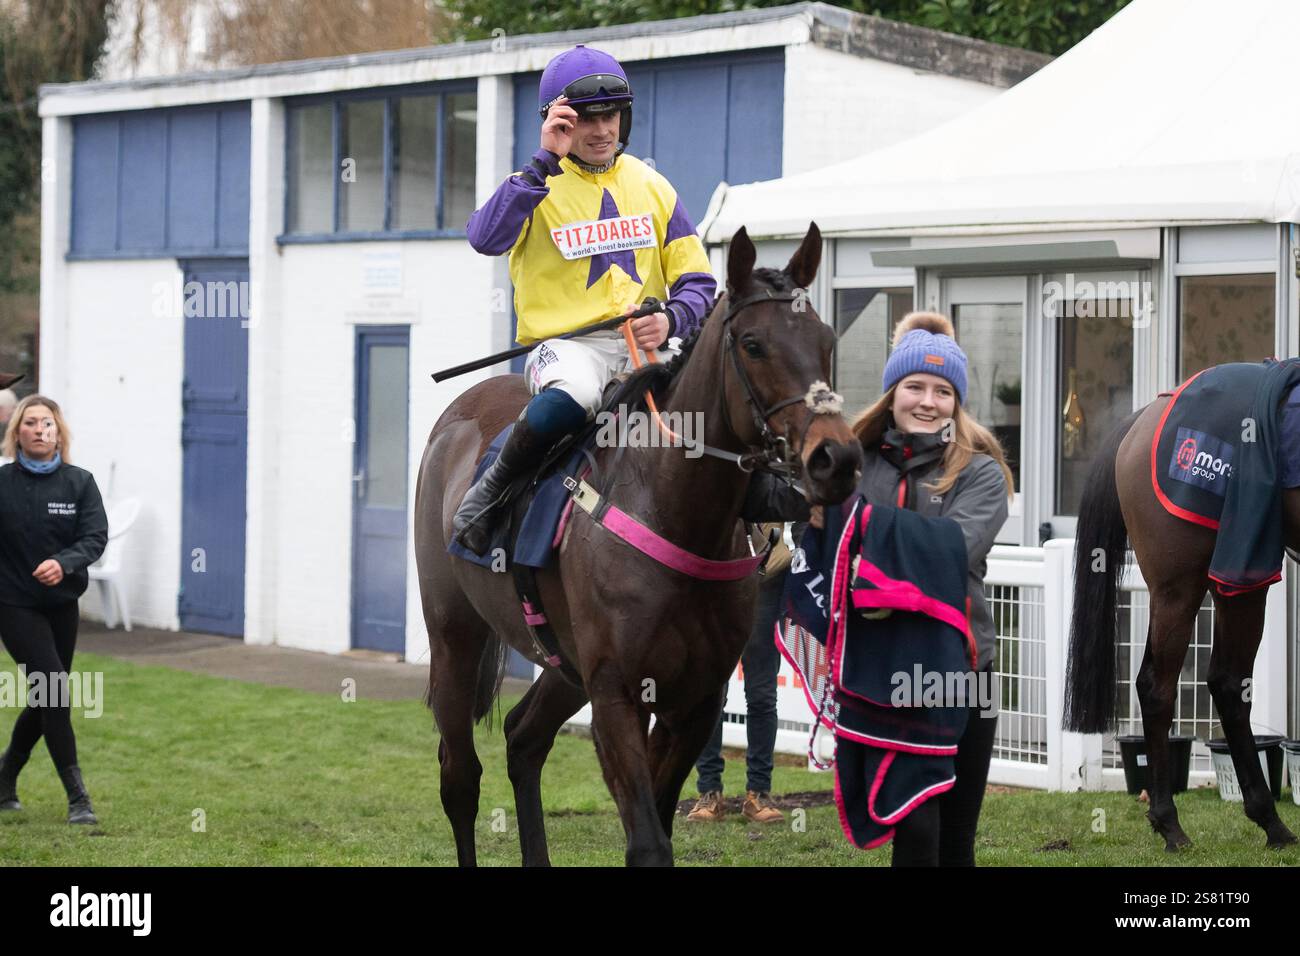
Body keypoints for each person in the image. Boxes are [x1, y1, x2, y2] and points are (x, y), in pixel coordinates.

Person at [744, 312, 1013, 865]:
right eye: (914, 386)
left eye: (943, 392)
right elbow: (783, 505)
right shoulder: (851, 463)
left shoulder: (981, 472)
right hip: (876, 671)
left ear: (956, 403)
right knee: (911, 825)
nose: (927, 401)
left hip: (959, 675)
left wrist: (857, 525)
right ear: (893, 392)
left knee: (953, 837)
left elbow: (955, 549)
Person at [453, 43, 716, 554]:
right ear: (556, 123)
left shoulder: (654, 185)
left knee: (719, 399)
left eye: (611, 115)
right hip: (571, 349)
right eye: (583, 120)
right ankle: (488, 494)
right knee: (574, 398)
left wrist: (673, 320)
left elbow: (699, 283)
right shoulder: (529, 185)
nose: (601, 131)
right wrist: (543, 160)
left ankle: (770, 530)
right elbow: (484, 239)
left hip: (650, 342)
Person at [0, 395, 108, 824]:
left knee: (46, 694)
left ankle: (6, 774)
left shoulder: (79, 482)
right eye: (30, 423)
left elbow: (95, 537)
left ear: (58, 432)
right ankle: (78, 797)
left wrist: (64, 563)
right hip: (13, 603)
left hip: (62, 605)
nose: (40, 429)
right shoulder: (3, 483)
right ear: (17, 433)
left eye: (47, 423)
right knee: (56, 691)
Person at [686, 522, 803, 824]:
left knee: (762, 695)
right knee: (711, 693)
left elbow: (798, 504)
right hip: (717, 580)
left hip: (767, 580)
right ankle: (709, 792)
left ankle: (759, 794)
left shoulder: (776, 475)